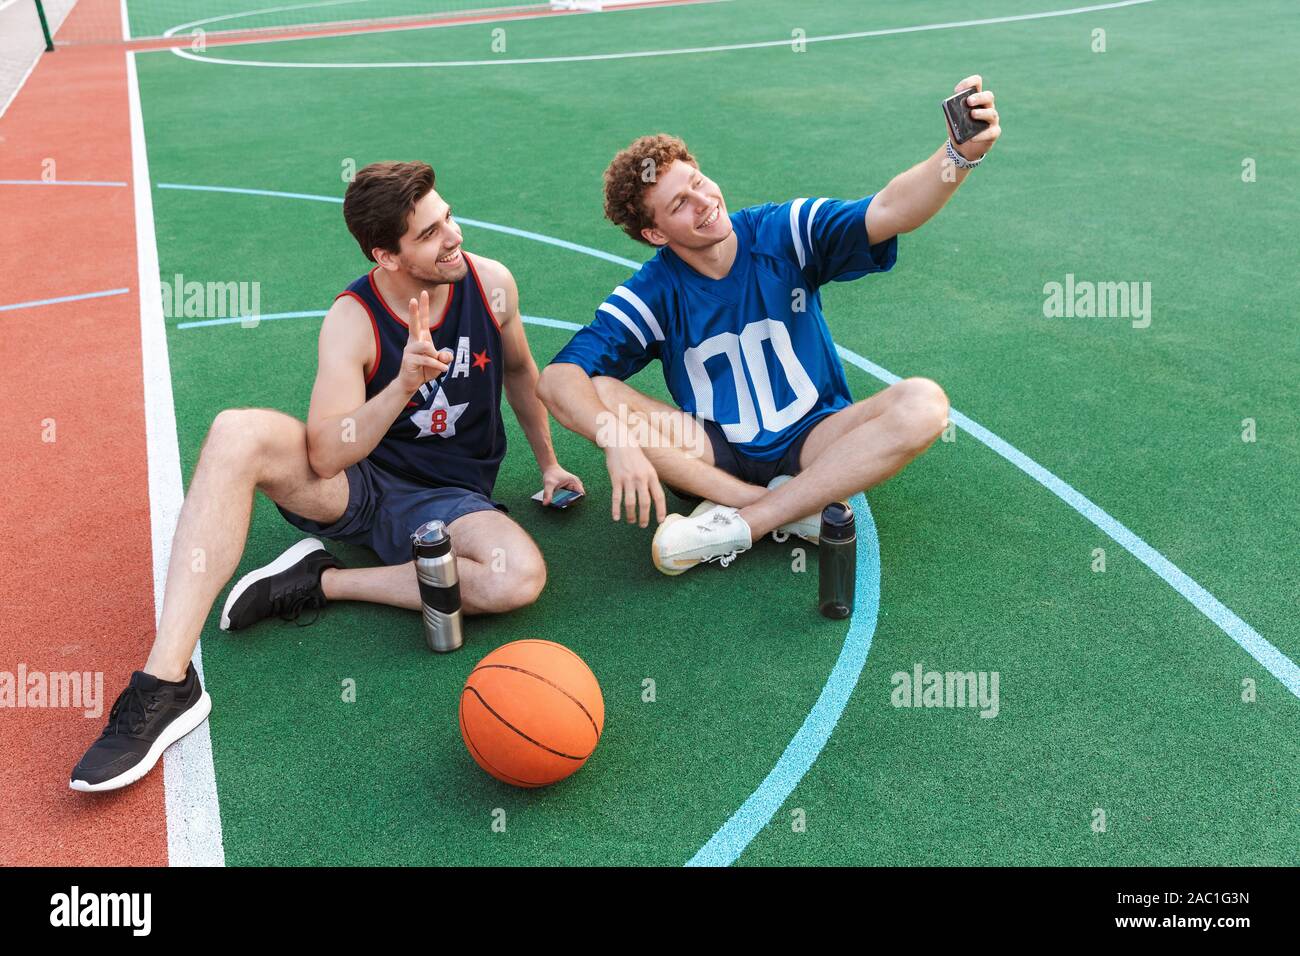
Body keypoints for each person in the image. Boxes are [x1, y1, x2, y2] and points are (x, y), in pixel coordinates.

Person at [70, 161, 582, 792]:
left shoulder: (490, 284)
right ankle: (166, 681)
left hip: (450, 501)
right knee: (236, 432)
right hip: (358, 487)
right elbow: (325, 453)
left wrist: (551, 461)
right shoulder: (354, 319)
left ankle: (322, 581)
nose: (452, 236)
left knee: (518, 578)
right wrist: (401, 385)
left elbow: (520, 373)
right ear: (385, 255)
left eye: (447, 217)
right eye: (428, 233)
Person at [537, 76, 1000, 575]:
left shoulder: (781, 232)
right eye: (678, 205)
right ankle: (778, 505)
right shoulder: (652, 291)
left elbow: (888, 210)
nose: (703, 201)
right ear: (654, 234)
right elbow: (557, 380)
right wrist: (615, 440)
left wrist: (958, 154)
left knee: (923, 404)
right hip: (713, 457)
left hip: (814, 439)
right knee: (601, 390)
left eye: (697, 181)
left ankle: (745, 523)